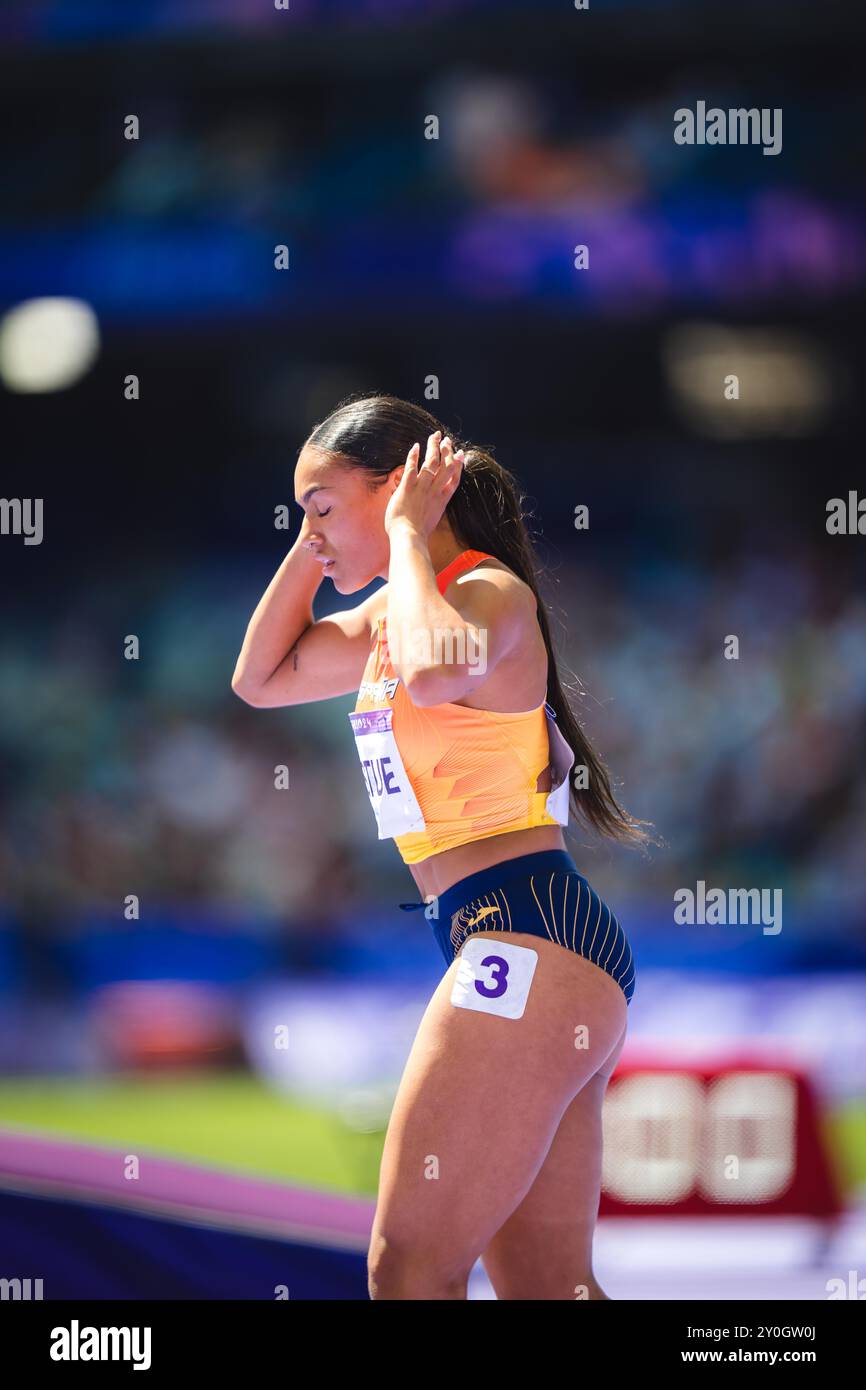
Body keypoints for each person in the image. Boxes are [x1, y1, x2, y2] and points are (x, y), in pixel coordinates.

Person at [232, 393, 655, 1300]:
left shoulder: (482, 592)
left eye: (321, 511)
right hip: (520, 944)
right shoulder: (400, 612)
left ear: (402, 495)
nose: (312, 536)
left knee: (408, 1269)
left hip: (528, 935)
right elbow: (259, 679)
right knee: (552, 1288)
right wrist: (322, 547)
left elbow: (432, 672)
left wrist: (407, 538)